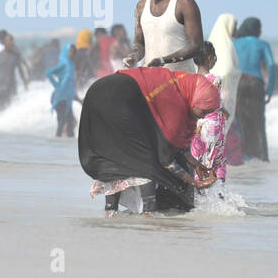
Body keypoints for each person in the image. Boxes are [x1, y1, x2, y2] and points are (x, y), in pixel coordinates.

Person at [78, 64, 220, 214]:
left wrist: (196, 164)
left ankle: (110, 212)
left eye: (209, 112)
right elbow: (166, 158)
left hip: (98, 92)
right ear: (196, 99)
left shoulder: (175, 85)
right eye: (203, 110)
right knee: (147, 160)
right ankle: (149, 213)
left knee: (115, 158)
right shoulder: (174, 103)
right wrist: (194, 183)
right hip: (116, 99)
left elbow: (171, 144)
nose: (204, 116)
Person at [125, 0, 203, 71]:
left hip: (180, 82)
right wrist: (133, 57)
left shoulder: (185, 4)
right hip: (151, 82)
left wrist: (163, 60)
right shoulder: (141, 6)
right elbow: (140, 45)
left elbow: (196, 46)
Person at [233, 17, 277, 160]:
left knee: (241, 121)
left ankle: (246, 157)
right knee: (258, 122)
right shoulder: (263, 44)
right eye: (260, 28)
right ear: (256, 29)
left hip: (239, 84)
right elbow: (271, 66)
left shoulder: (234, 43)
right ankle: (262, 158)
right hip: (255, 83)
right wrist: (269, 90)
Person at [190, 41, 228, 183]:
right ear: (209, 59)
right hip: (214, 126)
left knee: (198, 160)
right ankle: (220, 192)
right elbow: (216, 102)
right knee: (218, 161)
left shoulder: (190, 80)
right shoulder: (215, 79)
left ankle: (200, 194)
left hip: (197, 127)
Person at [206, 13, 242, 164]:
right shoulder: (227, 44)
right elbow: (226, 68)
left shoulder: (212, 41)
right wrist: (237, 72)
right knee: (221, 129)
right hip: (223, 92)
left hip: (209, 91)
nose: (236, 29)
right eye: (235, 25)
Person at [0, 30, 29, 111]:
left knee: (10, 111)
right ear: (4, 42)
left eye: (12, 40)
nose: (11, 42)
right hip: (0, 89)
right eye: (9, 40)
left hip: (11, 89)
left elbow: (21, 69)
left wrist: (25, 83)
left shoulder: (15, 55)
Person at [45, 42, 78, 137]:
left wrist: (77, 98)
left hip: (67, 98)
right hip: (59, 97)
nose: (72, 53)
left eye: (73, 51)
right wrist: (57, 85)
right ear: (66, 52)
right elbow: (48, 73)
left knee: (70, 124)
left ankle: (65, 147)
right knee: (62, 123)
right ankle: (57, 147)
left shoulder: (72, 65)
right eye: (70, 51)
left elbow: (70, 84)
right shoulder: (64, 64)